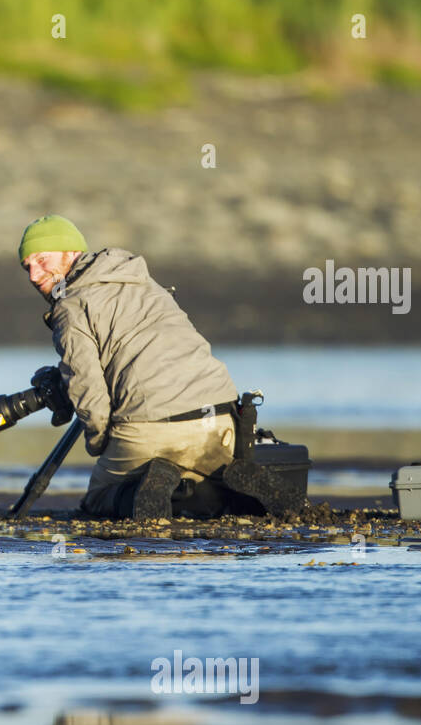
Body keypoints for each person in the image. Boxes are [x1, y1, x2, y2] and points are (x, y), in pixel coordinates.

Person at [19, 213, 281, 519]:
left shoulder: (71, 307)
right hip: (221, 421)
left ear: (71, 252)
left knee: (99, 500)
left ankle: (144, 489)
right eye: (27, 267)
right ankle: (232, 495)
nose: (34, 275)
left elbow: (86, 388)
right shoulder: (142, 281)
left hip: (152, 429)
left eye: (42, 260)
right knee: (198, 478)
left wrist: (102, 441)